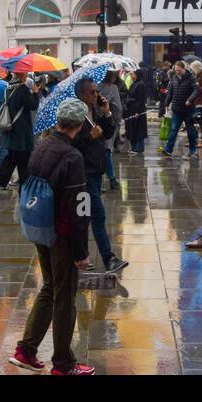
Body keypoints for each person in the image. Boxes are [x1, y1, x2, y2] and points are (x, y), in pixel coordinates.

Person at [8, 99, 95, 375]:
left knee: (49, 287)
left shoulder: (42, 146)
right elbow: (79, 207)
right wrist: (81, 253)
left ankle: (26, 350)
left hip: (40, 228)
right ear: (80, 125)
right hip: (62, 235)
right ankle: (63, 365)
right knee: (65, 296)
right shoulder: (72, 158)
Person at [73, 76, 127, 274]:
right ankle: (107, 258)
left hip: (95, 171)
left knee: (85, 216)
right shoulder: (76, 115)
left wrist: (106, 113)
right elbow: (70, 143)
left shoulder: (94, 111)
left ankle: (81, 258)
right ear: (82, 94)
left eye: (96, 91)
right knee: (95, 214)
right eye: (92, 92)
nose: (97, 94)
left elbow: (108, 133)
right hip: (83, 173)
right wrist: (89, 136)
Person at [0, 70, 41, 194]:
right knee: (22, 161)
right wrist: (35, 92)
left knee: (12, 159)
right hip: (22, 132)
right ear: (22, 75)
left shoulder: (9, 87)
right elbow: (33, 105)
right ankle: (24, 189)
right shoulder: (22, 89)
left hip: (12, 129)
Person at [162, 61, 198, 157]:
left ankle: (193, 150)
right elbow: (170, 92)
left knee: (190, 130)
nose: (177, 72)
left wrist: (190, 99)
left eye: (179, 70)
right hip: (176, 109)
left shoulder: (191, 78)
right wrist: (166, 103)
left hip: (188, 109)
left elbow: (196, 90)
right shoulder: (174, 78)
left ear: (184, 69)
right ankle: (168, 149)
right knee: (173, 129)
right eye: (176, 70)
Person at [123, 70, 148, 155]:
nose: (130, 75)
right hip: (131, 109)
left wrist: (138, 111)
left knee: (138, 129)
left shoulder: (140, 84)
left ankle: (138, 148)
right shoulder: (134, 83)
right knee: (132, 129)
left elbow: (141, 99)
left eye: (132, 73)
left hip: (137, 110)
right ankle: (134, 147)